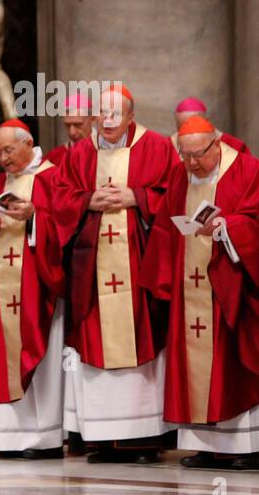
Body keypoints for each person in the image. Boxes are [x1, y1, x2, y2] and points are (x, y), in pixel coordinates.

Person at [58, 84, 179, 463]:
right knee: (94, 345)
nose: (107, 121)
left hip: (138, 269)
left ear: (131, 115)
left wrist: (138, 198)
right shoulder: (79, 154)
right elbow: (58, 199)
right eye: (101, 114)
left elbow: (177, 196)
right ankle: (102, 439)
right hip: (93, 272)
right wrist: (86, 201)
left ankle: (142, 440)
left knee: (142, 343)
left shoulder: (157, 147)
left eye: (115, 114)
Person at [142, 116, 259, 470]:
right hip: (190, 290)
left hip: (234, 289)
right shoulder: (180, 175)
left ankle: (245, 447)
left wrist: (230, 227)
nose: (191, 164)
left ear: (216, 144)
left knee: (233, 365)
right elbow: (166, 227)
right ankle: (205, 446)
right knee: (193, 368)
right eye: (184, 156)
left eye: (198, 155)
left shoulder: (249, 170)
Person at [0, 121, 73, 458]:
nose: (2, 158)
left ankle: (41, 439)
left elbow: (68, 225)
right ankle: (4, 438)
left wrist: (35, 217)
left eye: (8, 150)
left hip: (37, 288)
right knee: (2, 354)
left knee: (39, 356)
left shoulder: (54, 177)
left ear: (28, 143)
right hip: (0, 288)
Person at [44, 92, 93, 168]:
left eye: (78, 125)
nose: (72, 132)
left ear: (92, 119)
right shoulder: (53, 158)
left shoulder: (103, 153)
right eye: (67, 125)